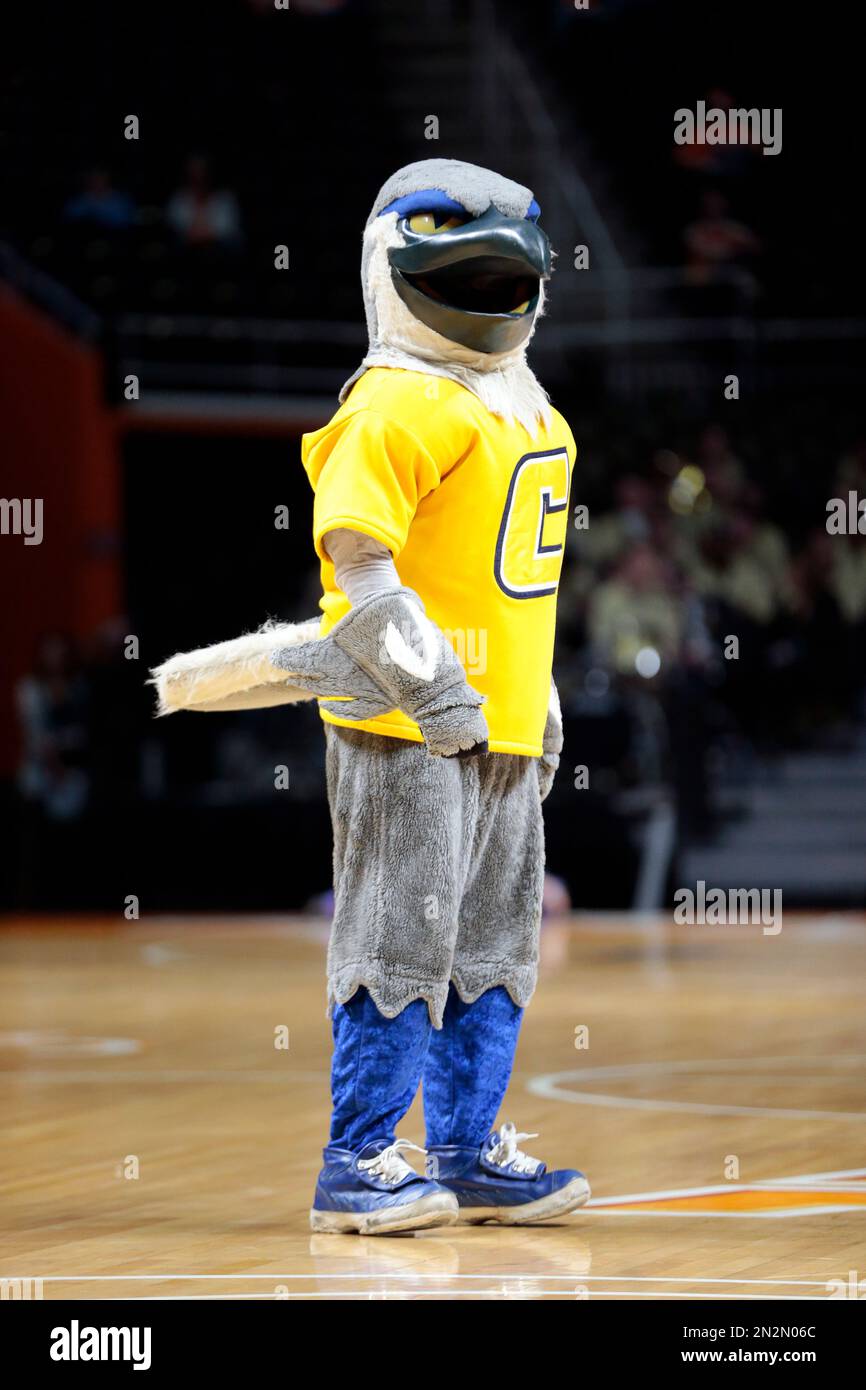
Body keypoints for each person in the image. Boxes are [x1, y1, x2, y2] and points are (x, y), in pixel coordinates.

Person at [151, 159, 589, 1235]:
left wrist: (528, 702)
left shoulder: (524, 403)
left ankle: (465, 1149)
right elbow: (359, 568)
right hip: (406, 732)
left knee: (491, 947)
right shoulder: (391, 398)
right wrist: (435, 686)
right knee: (398, 944)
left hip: (503, 735)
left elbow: (510, 584)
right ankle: (355, 1161)